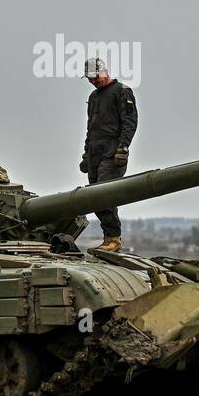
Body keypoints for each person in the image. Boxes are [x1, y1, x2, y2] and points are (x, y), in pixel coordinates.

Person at [79, 57, 137, 253]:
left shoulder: (122, 91)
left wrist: (123, 148)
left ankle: (114, 239)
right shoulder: (94, 97)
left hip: (113, 152)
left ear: (104, 72)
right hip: (96, 151)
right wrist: (86, 155)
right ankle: (109, 238)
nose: (92, 81)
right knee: (93, 198)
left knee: (105, 195)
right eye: (89, 78)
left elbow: (129, 122)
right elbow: (91, 128)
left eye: (95, 77)